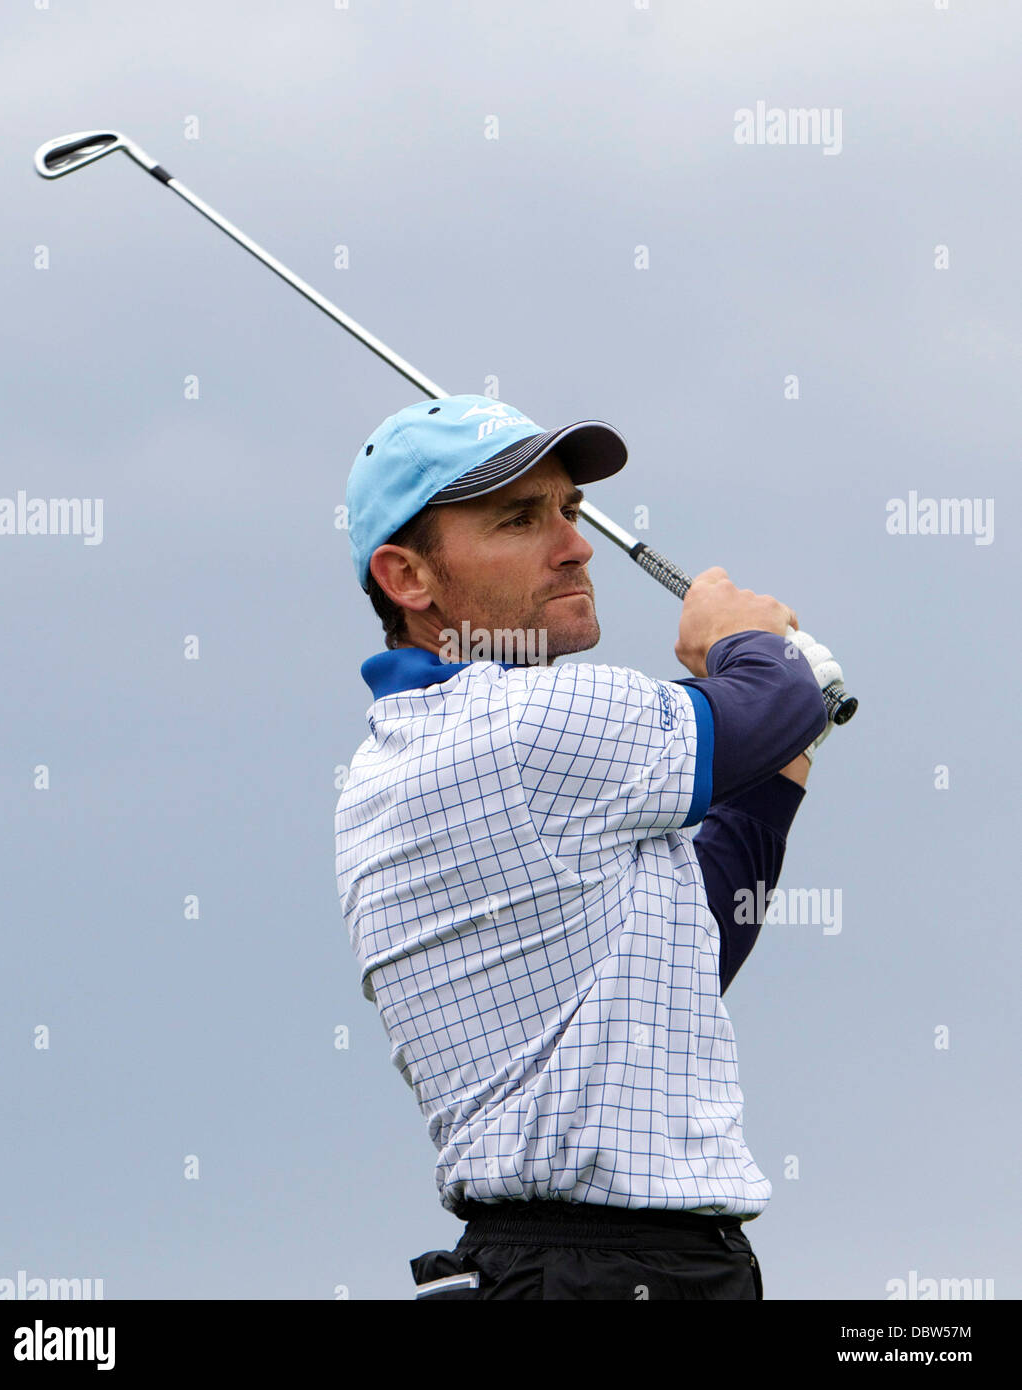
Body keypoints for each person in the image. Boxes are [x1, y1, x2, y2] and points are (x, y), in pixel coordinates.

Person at [334, 395, 835, 1300]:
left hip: (576, 1265)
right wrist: (746, 640)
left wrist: (778, 742)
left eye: (567, 509)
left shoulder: (398, 757)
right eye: (519, 520)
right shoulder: (522, 725)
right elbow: (770, 699)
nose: (574, 544)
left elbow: (687, 947)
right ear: (408, 577)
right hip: (612, 1269)